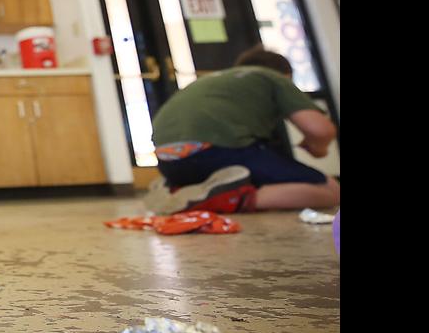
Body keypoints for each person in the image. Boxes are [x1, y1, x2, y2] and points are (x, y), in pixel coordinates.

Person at [141, 45, 340, 215]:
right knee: (330, 190)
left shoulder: (208, 82)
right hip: (217, 150)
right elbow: (320, 130)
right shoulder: (270, 76)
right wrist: (319, 148)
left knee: (245, 170)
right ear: (286, 76)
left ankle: (178, 188)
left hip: (169, 163)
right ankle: (228, 199)